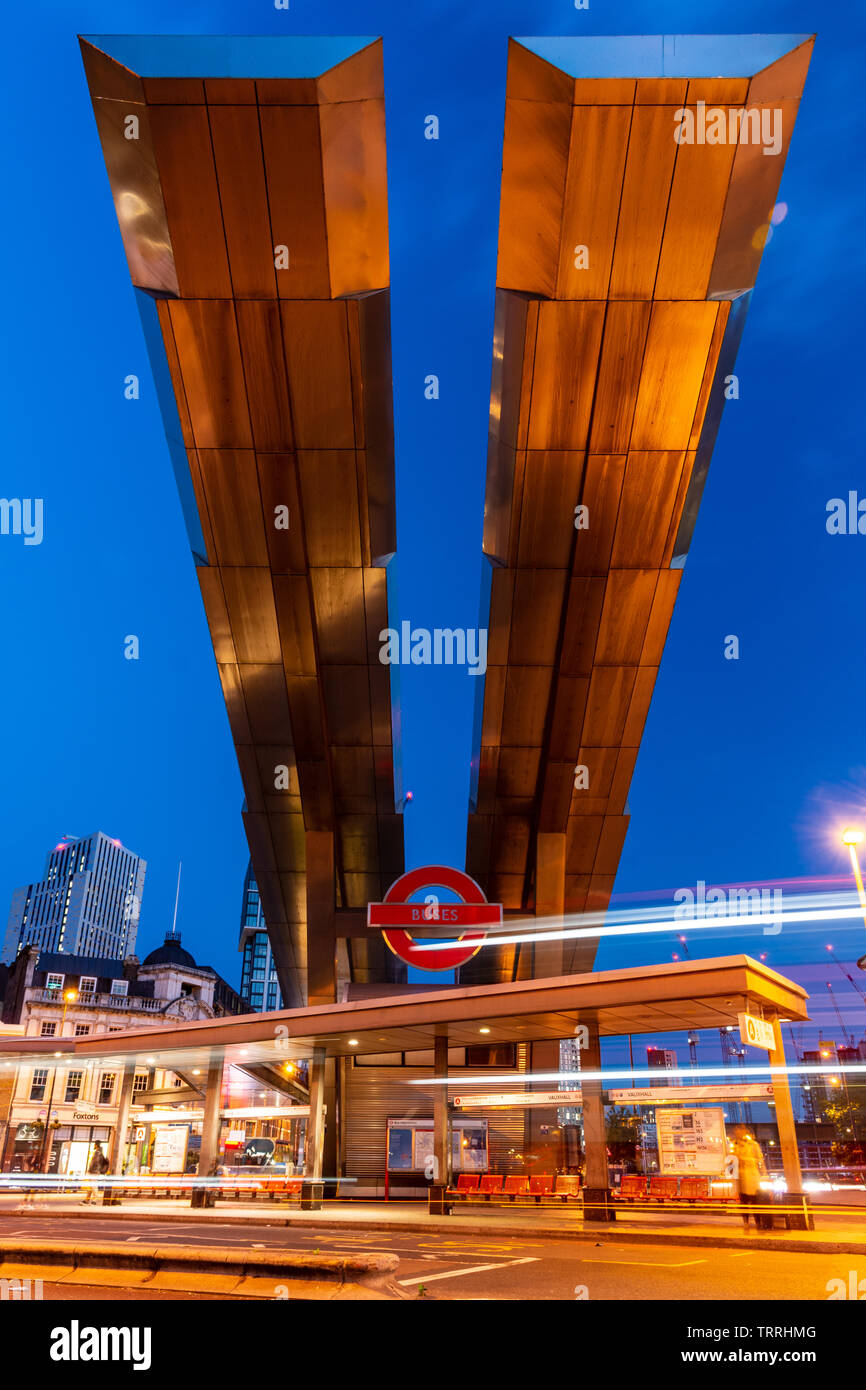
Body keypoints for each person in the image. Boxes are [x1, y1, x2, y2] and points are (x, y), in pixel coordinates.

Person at [732, 1127, 770, 1230]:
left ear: (745, 1132)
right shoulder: (734, 1146)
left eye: (739, 1131)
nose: (738, 1134)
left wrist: (764, 1174)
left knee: (754, 1201)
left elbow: (760, 1160)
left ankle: (758, 1222)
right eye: (736, 1132)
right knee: (743, 1202)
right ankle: (746, 1223)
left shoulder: (753, 1145)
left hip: (752, 1176)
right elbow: (730, 1162)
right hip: (740, 1177)